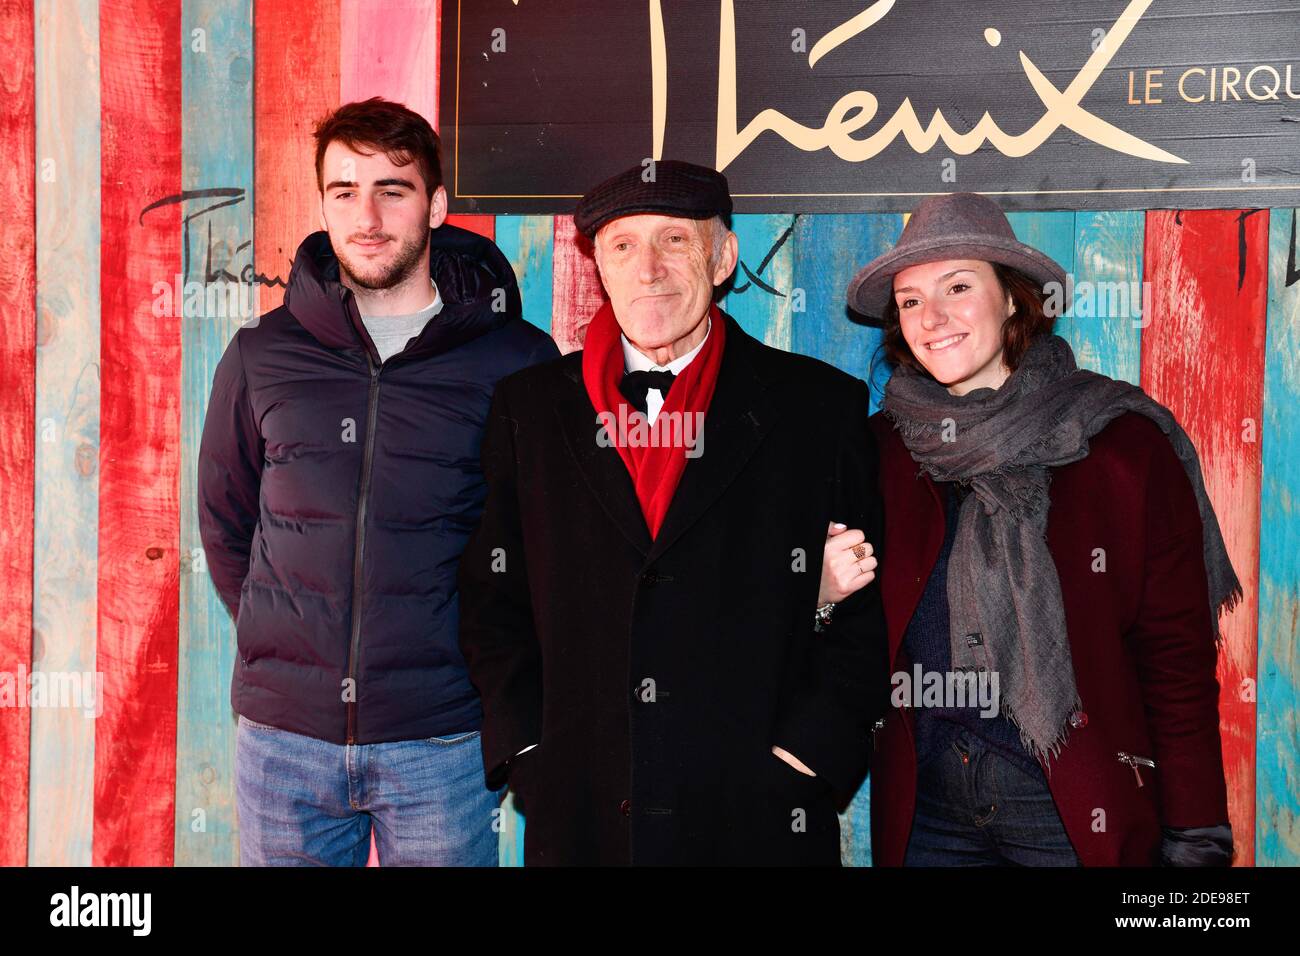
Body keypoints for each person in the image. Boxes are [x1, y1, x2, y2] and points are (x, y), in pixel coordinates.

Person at [457, 159, 890, 865]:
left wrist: (807, 758)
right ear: (598, 265)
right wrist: (529, 750)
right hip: (586, 813)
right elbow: (491, 598)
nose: (648, 269)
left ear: (723, 258)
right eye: (623, 245)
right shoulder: (528, 410)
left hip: (757, 819)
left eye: (675, 241)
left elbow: (862, 616)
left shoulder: (820, 409)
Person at [197, 97, 559, 866]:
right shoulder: (263, 354)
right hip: (281, 744)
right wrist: (288, 639)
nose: (367, 215)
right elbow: (227, 524)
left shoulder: (515, 361)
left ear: (434, 204)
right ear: (323, 204)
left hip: (443, 739)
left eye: (392, 190)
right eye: (343, 191)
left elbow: (544, 541)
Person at [830, 191, 1237, 866]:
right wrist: (819, 594)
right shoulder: (882, 452)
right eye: (909, 301)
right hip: (930, 807)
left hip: (1073, 805)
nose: (931, 318)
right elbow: (835, 626)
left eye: (957, 287)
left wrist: (1196, 827)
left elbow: (1175, 655)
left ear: (1014, 299)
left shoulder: (1121, 445)